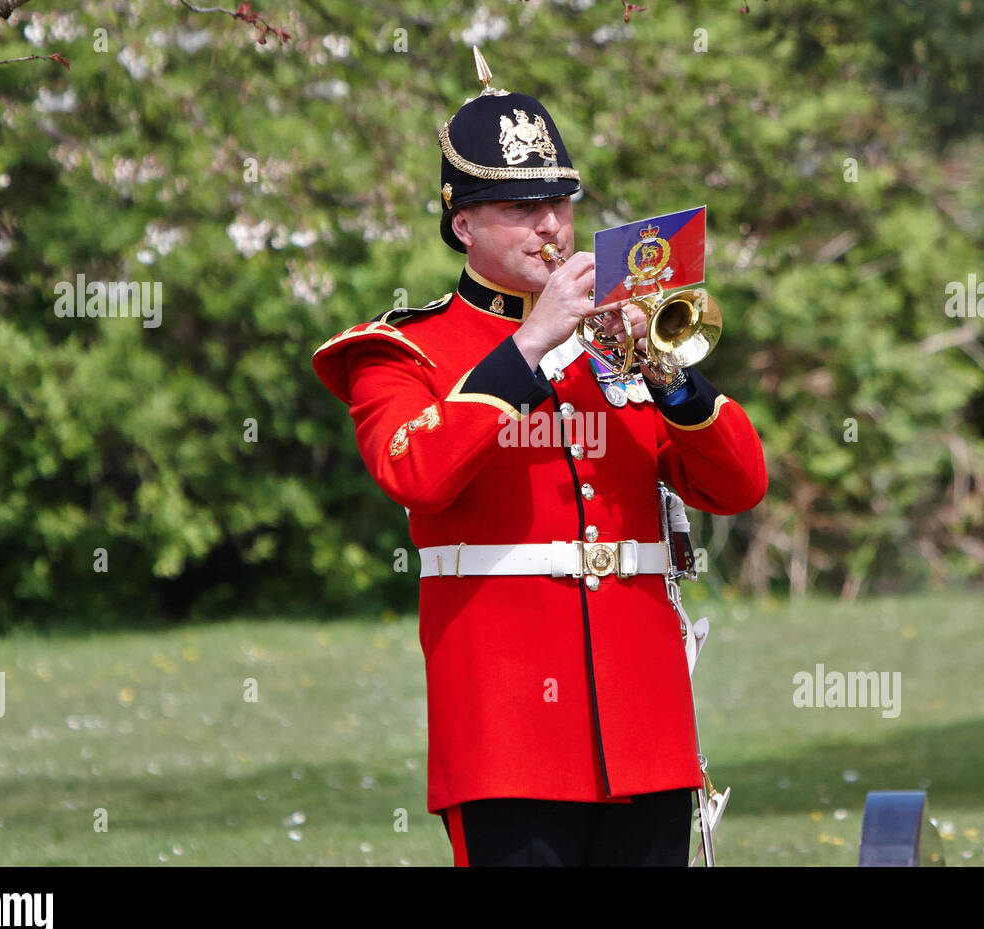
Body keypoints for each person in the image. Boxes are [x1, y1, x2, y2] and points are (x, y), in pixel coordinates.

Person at [312, 49, 767, 866]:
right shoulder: (402, 352)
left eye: (558, 201)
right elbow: (412, 473)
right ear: (463, 224)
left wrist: (670, 378)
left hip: (645, 725)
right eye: (521, 207)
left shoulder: (615, 343)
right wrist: (527, 346)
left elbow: (738, 486)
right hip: (507, 735)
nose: (552, 226)